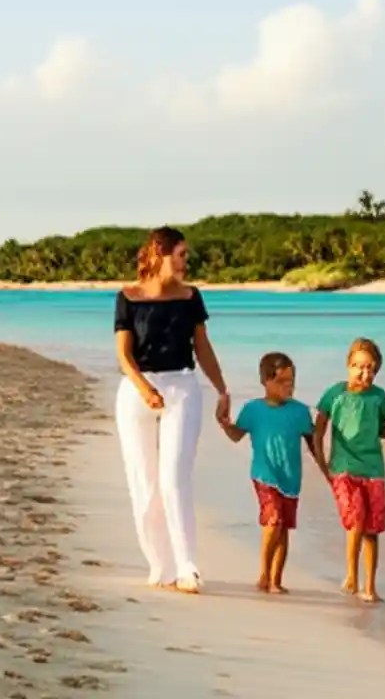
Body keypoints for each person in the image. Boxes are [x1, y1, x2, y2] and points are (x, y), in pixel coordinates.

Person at [113, 226, 230, 594]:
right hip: (137, 390)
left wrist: (222, 389)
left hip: (182, 386)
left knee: (174, 478)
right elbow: (124, 355)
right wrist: (144, 388)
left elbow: (203, 348)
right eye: (181, 255)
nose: (185, 262)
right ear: (160, 253)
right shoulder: (128, 297)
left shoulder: (191, 297)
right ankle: (159, 564)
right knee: (143, 482)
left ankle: (187, 566)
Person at [218, 352, 324, 594]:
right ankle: (264, 573)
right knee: (273, 520)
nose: (289, 387)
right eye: (282, 381)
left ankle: (276, 579)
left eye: (292, 381)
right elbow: (236, 435)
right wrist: (224, 423)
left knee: (284, 528)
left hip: (291, 478)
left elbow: (313, 444)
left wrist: (328, 472)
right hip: (264, 475)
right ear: (266, 381)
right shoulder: (252, 409)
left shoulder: (299, 412)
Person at [314, 338, 385, 604]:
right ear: (348, 366)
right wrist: (323, 464)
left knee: (372, 529)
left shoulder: (379, 397)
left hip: (373, 468)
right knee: (356, 520)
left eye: (370, 368)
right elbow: (319, 429)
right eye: (358, 366)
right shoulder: (335, 394)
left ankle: (370, 587)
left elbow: (380, 430)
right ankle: (351, 576)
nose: (364, 373)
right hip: (343, 468)